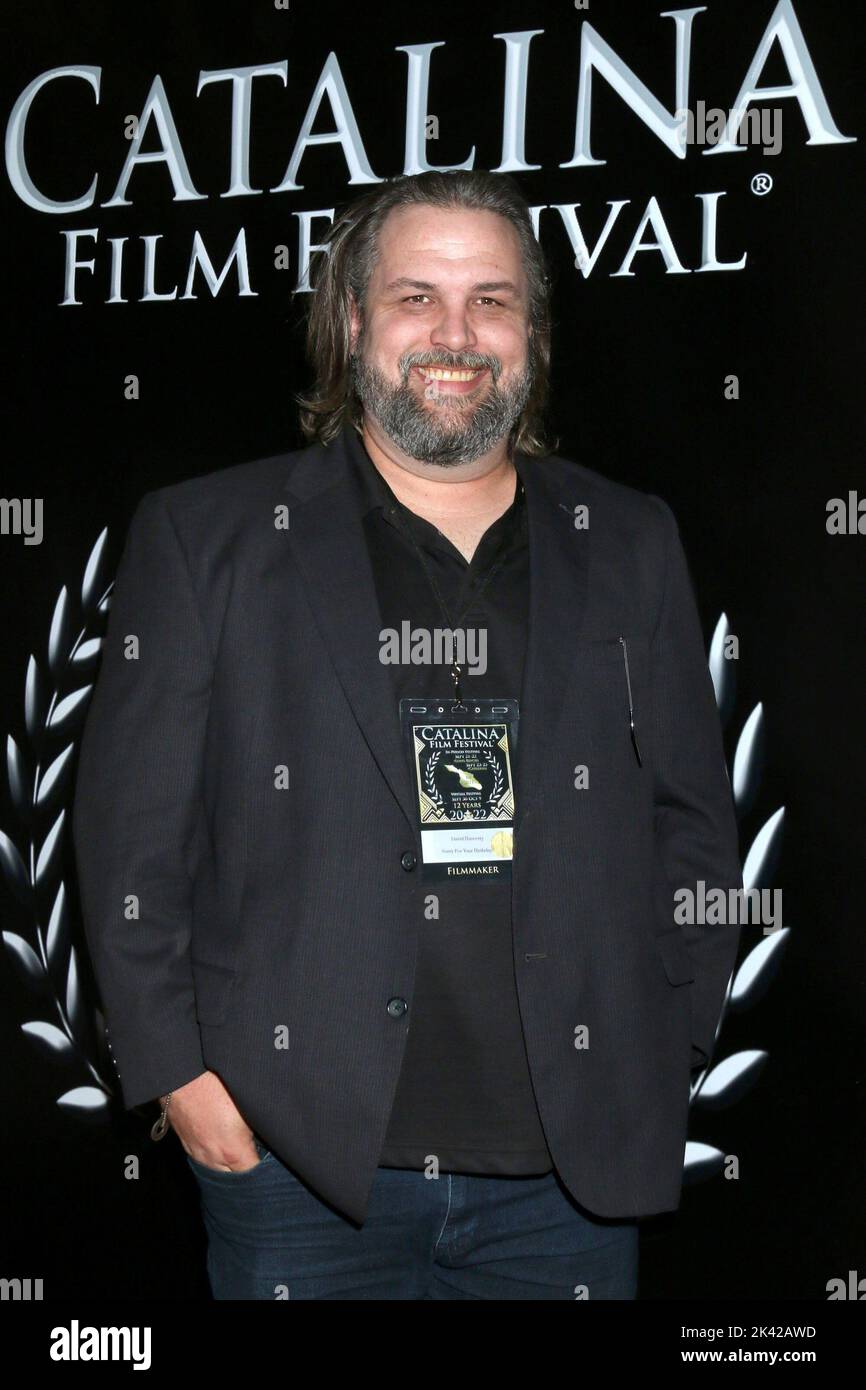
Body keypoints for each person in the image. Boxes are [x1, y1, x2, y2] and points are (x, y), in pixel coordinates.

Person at [72, 169, 743, 1300]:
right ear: (351, 324)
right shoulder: (207, 537)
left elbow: (690, 817)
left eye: (490, 299)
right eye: (413, 297)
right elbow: (129, 834)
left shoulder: (628, 538)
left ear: (529, 332)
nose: (453, 333)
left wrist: (667, 1031)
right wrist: (184, 1082)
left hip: (568, 1185)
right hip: (298, 1169)